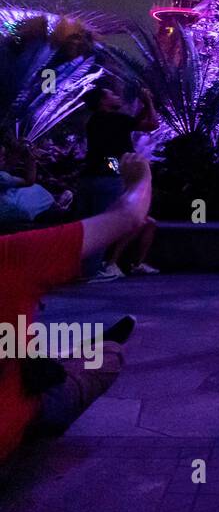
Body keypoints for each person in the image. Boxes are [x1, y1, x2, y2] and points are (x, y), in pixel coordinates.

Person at [1, 153, 150, 462]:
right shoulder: (11, 256)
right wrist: (141, 175)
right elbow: (129, 215)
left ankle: (83, 343)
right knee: (106, 357)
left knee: (25, 341)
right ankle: (102, 344)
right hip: (13, 422)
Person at [77, 82, 160, 280]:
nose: (116, 96)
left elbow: (130, 124)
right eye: (111, 93)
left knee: (91, 220)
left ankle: (88, 268)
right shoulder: (114, 119)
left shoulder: (96, 121)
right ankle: (98, 269)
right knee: (108, 222)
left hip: (90, 175)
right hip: (108, 175)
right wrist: (148, 101)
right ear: (102, 102)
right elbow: (152, 125)